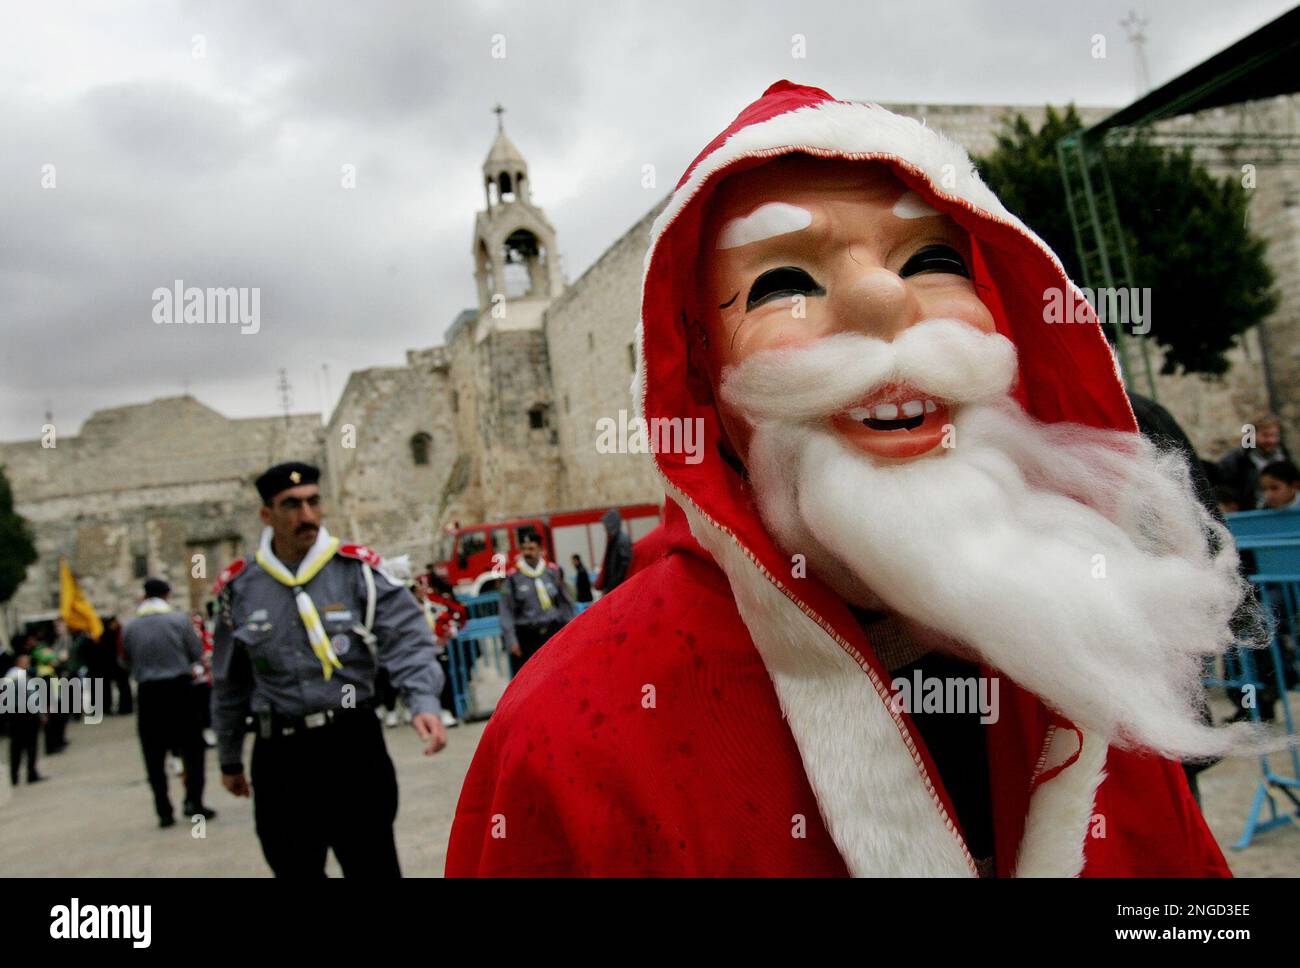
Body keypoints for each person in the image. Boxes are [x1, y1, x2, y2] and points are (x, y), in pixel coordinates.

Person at [447, 81, 1262, 877]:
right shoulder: (571, 730)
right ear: (702, 376)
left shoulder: (1085, 629)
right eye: (782, 283)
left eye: (931, 259)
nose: (881, 299)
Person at [210, 461, 447, 877]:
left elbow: (407, 637)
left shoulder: (356, 571)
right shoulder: (240, 589)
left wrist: (422, 699)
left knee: (372, 865)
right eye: (291, 506)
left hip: (351, 746)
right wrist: (229, 757)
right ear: (267, 515)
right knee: (293, 867)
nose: (306, 516)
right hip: (280, 754)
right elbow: (229, 679)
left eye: (313, 502)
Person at [121, 578, 214, 827]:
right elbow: (196, 653)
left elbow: (125, 661)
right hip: (180, 690)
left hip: (149, 694)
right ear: (167, 594)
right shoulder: (178, 620)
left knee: (153, 755)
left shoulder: (130, 626)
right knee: (193, 749)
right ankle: (194, 800)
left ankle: (163, 809)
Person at [498, 532, 574, 676]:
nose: (527, 553)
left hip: (552, 632)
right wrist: (511, 640)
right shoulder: (513, 577)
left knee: (559, 676)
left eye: (531, 549)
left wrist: (570, 629)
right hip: (527, 637)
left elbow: (565, 603)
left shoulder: (553, 571)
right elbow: (506, 611)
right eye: (524, 549)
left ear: (540, 549)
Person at [1217, 412, 1290, 510]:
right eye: (1265, 435)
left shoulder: (1284, 456)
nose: (1271, 440)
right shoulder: (1237, 459)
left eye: (1274, 436)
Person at [4, 652, 44, 786]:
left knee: (16, 747)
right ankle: (31, 773)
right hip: (27, 715)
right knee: (30, 746)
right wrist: (41, 714)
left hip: (13, 716)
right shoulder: (22, 677)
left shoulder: (8, 677)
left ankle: (14, 776)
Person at [593, 509, 632, 595]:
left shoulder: (621, 540)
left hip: (618, 589)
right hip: (613, 588)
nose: (604, 529)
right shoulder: (613, 541)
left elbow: (623, 567)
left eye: (606, 526)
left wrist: (612, 587)